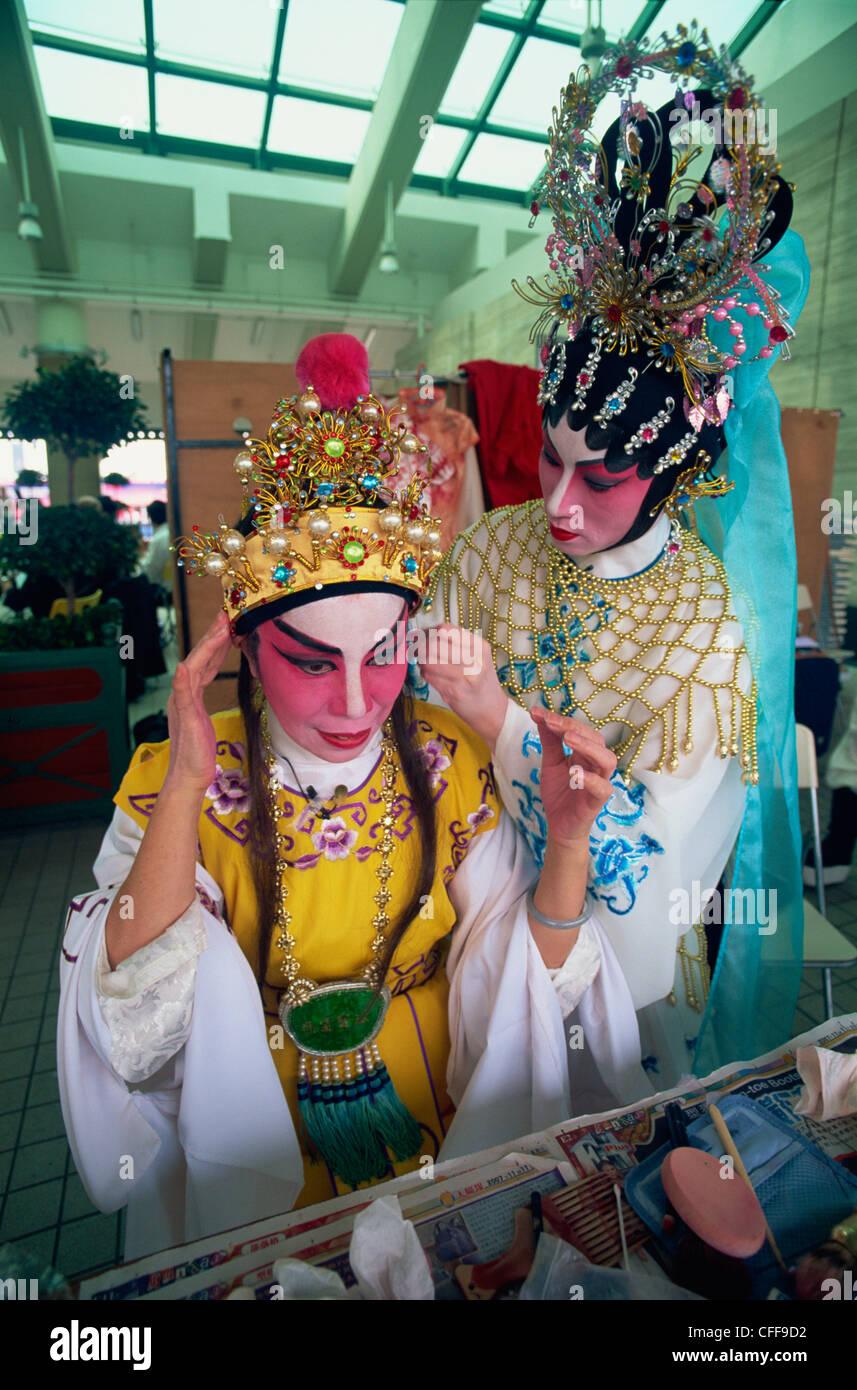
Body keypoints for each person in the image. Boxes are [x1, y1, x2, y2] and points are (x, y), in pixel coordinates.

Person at [57, 335, 648, 1263]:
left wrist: (566, 843)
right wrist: (182, 781)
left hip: (437, 1119)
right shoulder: (180, 784)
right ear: (245, 649)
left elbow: (524, 971)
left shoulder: (448, 766)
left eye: (382, 656)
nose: (351, 702)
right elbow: (132, 1017)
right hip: (250, 1116)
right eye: (307, 659)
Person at [415, 33, 811, 1088]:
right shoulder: (494, 544)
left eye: (599, 479)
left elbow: (651, 876)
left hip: (605, 1003)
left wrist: (498, 719)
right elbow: (406, 708)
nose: (555, 504)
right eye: (545, 456)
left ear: (672, 474)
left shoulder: (703, 622)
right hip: (452, 942)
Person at [140, 499, 171, 587]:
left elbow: (151, 571)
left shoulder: (158, 539)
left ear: (150, 518)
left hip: (164, 589)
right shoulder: (172, 533)